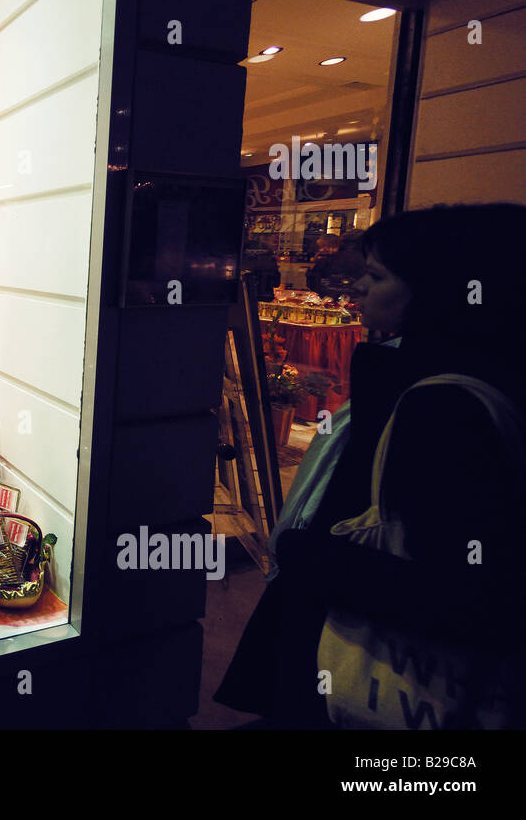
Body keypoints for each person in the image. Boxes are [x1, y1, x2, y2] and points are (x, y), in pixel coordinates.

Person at [216, 203, 526, 728]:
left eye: (376, 275)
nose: (356, 286)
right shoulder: (459, 376)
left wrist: (306, 552)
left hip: (377, 677)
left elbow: (468, 595)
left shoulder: (443, 407)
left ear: (438, 291)